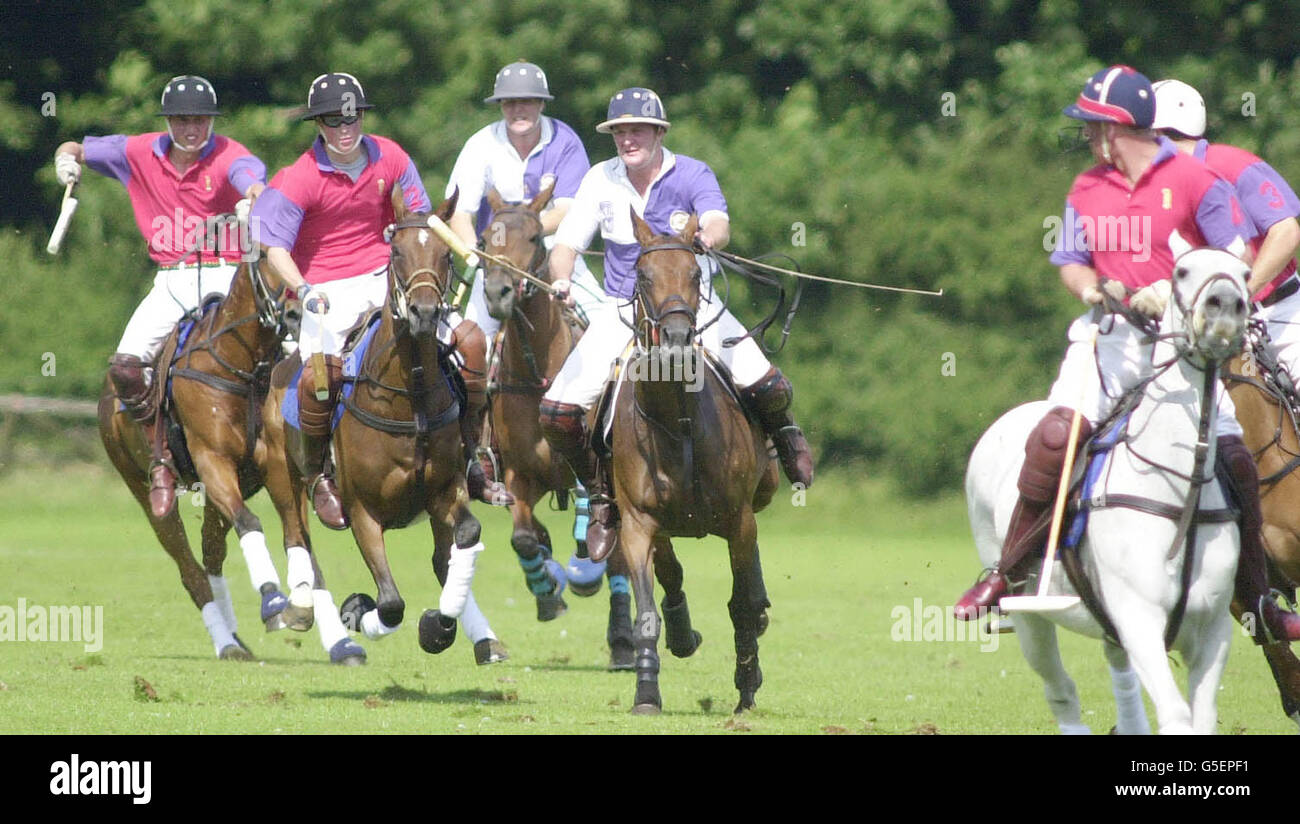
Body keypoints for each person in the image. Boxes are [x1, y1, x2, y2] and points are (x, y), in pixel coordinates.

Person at [953, 65, 1300, 644]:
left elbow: (1251, 244)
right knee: (1056, 436)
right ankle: (1007, 572)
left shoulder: (1210, 176)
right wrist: (1094, 288)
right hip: (1117, 337)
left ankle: (1259, 597)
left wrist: (1210, 294)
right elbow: (1071, 258)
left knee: (1238, 449)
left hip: (1222, 325)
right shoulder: (1091, 189)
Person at [537, 87, 815, 562]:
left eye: (637, 131)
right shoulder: (600, 180)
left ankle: (784, 438)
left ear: (659, 133)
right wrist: (560, 279)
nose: (628, 140)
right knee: (557, 414)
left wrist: (708, 236)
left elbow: (718, 220)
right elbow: (565, 246)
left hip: (692, 307)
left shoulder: (691, 172)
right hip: (623, 309)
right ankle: (603, 495)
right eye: (620, 132)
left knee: (766, 383)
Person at [251, 72, 509, 531]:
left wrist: (459, 252)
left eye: (352, 116)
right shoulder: (300, 177)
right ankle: (320, 475)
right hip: (326, 288)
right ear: (319, 124)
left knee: (469, 343)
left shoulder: (390, 157)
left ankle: (472, 456)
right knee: (320, 377)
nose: (345, 127)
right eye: (333, 119)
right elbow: (274, 247)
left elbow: (418, 220)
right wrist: (305, 290)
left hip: (389, 277)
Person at [54, 75, 267, 519]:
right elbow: (74, 146)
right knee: (127, 367)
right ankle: (162, 460)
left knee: (291, 353)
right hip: (172, 277)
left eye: (201, 120)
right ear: (169, 121)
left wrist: (254, 199)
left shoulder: (231, 154)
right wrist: (66, 162)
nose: (192, 129)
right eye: (183, 120)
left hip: (226, 273)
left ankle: (316, 464)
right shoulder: (137, 151)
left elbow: (250, 178)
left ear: (212, 123)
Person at [444, 60, 607, 486]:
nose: (520, 110)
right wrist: (480, 258)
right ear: (501, 106)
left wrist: (521, 234)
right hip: (494, 265)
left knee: (606, 331)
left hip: (555, 256)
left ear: (541, 104)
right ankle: (473, 449)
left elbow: (570, 209)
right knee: (462, 346)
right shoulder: (481, 144)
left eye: (528, 102)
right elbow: (460, 212)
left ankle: (605, 443)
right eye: (511, 102)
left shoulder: (565, 140)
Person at [1152, 78, 1300, 370]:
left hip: (1280, 315)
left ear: (1157, 132)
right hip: (1205, 328)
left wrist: (1240, 295)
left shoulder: (1231, 163)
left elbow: (1286, 232)